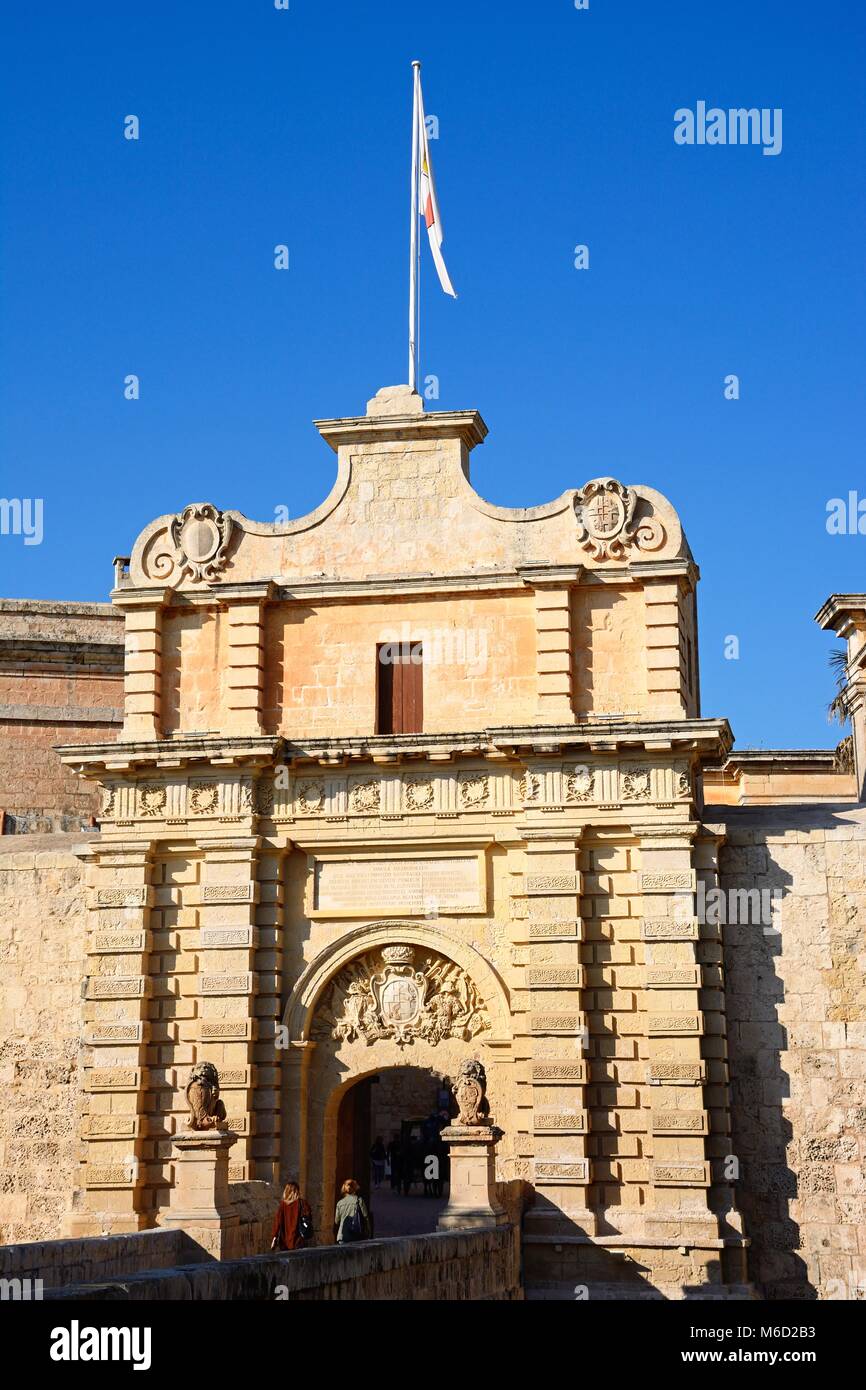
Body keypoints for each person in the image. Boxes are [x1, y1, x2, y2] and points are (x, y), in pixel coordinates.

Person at [270, 1179, 312, 1251]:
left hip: (284, 1243)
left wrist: (274, 1237)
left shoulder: (282, 1205)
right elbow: (308, 1218)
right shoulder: (302, 1203)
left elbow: (277, 1222)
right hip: (298, 1242)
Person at [334, 1178, 371, 1243]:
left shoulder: (339, 1203)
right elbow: (366, 1217)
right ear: (355, 1188)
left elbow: (336, 1221)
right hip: (356, 1234)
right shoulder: (359, 1200)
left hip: (342, 1235)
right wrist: (368, 1230)